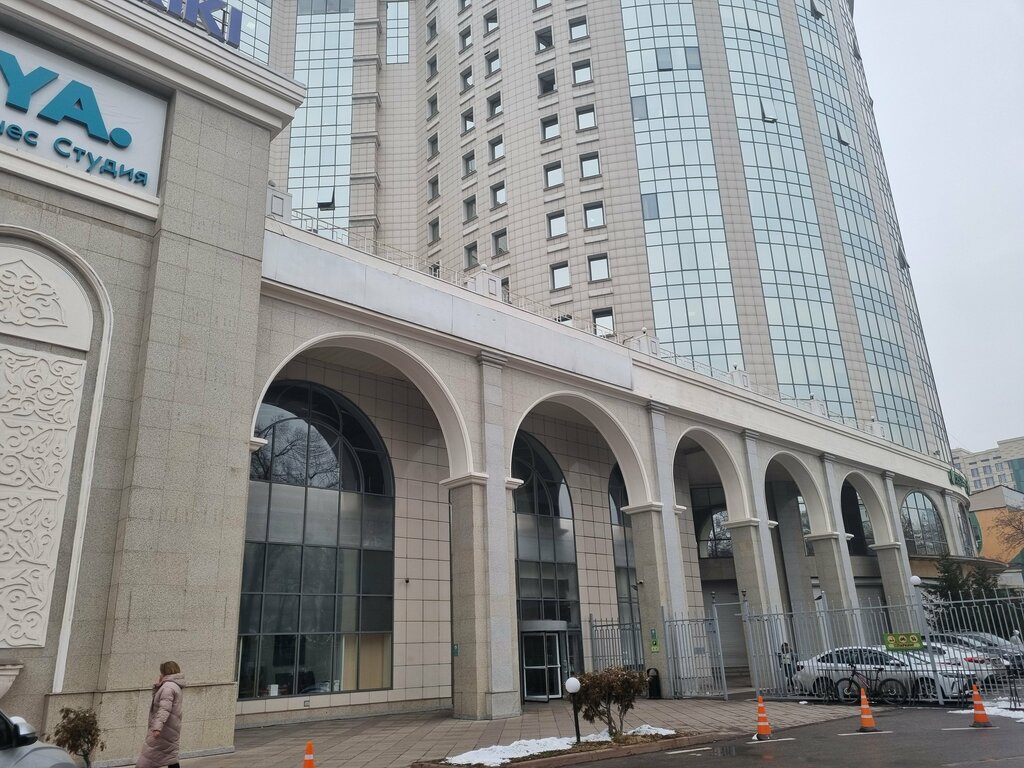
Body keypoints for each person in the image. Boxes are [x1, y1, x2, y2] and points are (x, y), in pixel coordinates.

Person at [136, 661, 185, 768]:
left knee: (147, 758)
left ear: (165, 672)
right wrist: (158, 685)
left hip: (163, 729)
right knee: (171, 756)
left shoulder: (168, 687)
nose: (160, 674)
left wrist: (157, 727)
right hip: (171, 728)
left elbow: (164, 709)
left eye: (161, 672)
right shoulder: (174, 686)